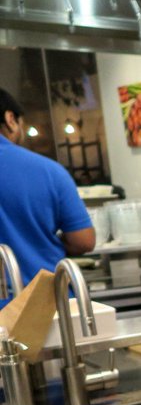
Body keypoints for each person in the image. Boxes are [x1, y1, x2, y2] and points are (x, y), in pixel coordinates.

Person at [0, 87, 95, 281]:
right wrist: (42, 242)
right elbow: (84, 241)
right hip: (44, 299)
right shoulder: (48, 171)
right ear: (10, 119)